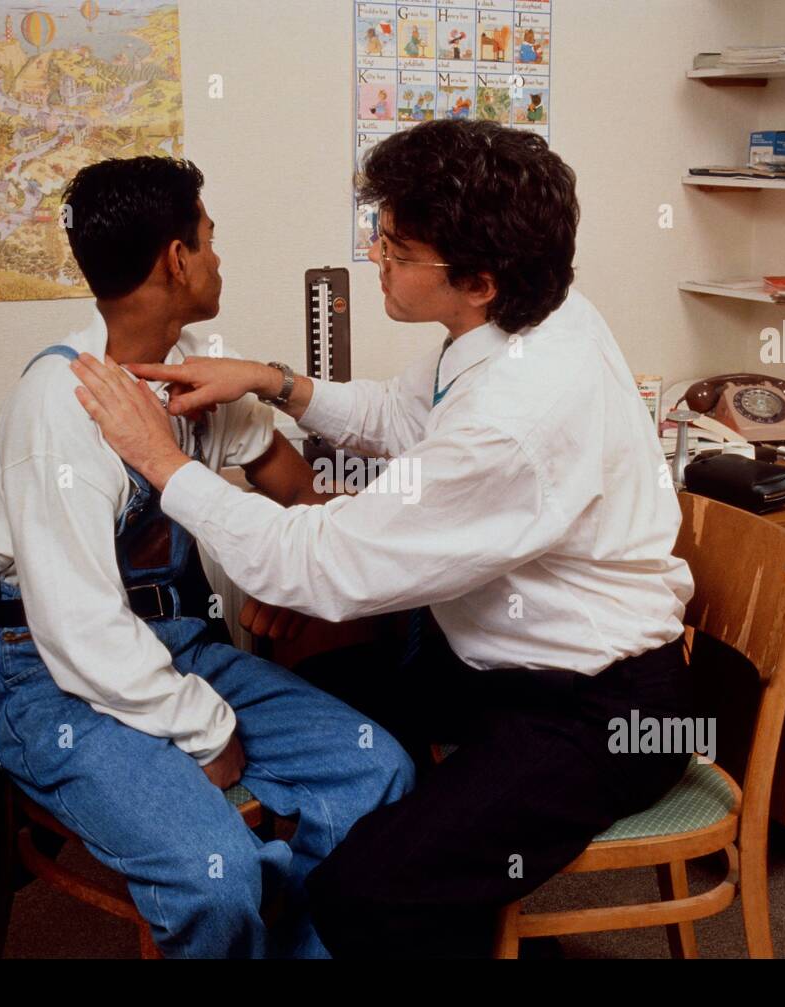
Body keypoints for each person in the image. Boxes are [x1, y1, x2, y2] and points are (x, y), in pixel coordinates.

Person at [70, 121, 702, 958]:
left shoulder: (518, 419)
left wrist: (161, 462)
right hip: (495, 659)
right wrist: (273, 382)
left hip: (595, 709)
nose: (377, 256)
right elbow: (404, 418)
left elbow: (318, 562)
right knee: (323, 699)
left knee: (367, 892)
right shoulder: (529, 314)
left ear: (477, 279)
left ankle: (372, 907)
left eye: (397, 248)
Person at [0, 155, 413, 959]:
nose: (218, 258)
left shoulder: (196, 371)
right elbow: (78, 630)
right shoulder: (57, 410)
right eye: (208, 241)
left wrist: (303, 574)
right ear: (176, 260)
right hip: (56, 678)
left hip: (179, 648)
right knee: (216, 881)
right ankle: (258, 887)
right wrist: (207, 731)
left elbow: (294, 489)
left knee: (377, 771)